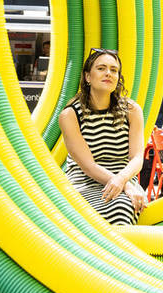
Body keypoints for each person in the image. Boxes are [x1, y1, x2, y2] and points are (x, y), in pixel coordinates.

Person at [58, 48, 148, 224]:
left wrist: (123, 180)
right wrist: (125, 185)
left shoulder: (131, 110)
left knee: (122, 205)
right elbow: (88, 165)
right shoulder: (70, 115)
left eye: (114, 70)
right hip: (84, 182)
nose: (108, 73)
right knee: (116, 207)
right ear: (87, 77)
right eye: (101, 68)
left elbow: (137, 157)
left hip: (125, 178)